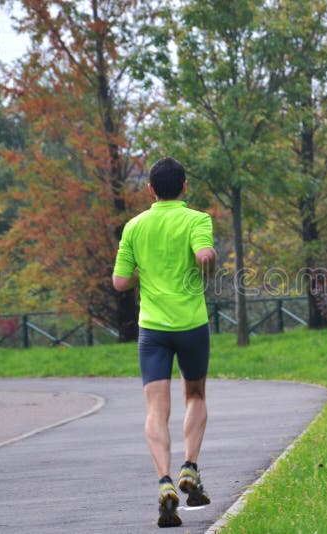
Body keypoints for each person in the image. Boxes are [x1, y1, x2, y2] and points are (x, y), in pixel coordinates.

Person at [112, 157, 216, 528]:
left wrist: (144, 272)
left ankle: (164, 481)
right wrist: (207, 263)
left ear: (151, 189)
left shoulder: (134, 226)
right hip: (191, 325)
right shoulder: (197, 220)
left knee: (156, 409)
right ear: (184, 186)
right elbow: (204, 256)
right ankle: (190, 466)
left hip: (153, 330)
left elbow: (120, 282)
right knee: (196, 396)